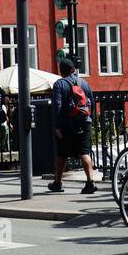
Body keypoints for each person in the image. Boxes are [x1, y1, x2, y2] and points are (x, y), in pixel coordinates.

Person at [49, 56, 97, 194]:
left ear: (61, 71)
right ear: (73, 70)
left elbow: (57, 106)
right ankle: (90, 182)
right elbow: (91, 103)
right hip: (84, 122)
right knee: (84, 153)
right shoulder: (84, 83)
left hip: (66, 124)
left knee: (62, 154)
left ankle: (57, 183)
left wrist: (56, 126)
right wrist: (89, 119)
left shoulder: (59, 84)